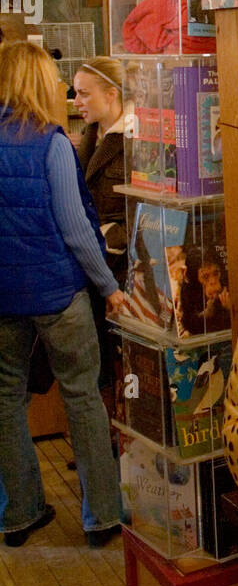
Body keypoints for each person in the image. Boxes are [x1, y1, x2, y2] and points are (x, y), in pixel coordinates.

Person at [0, 41, 125, 548]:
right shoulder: (52, 143)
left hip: (4, 299)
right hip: (58, 294)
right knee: (83, 398)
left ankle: (19, 515)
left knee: (6, 402)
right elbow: (77, 229)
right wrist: (109, 287)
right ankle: (102, 517)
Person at [72, 58, 129, 384]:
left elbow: (141, 210)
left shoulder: (136, 138)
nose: (76, 101)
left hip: (119, 270)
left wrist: (108, 237)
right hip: (92, 268)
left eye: (83, 94)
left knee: (121, 368)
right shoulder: (90, 134)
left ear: (110, 94)